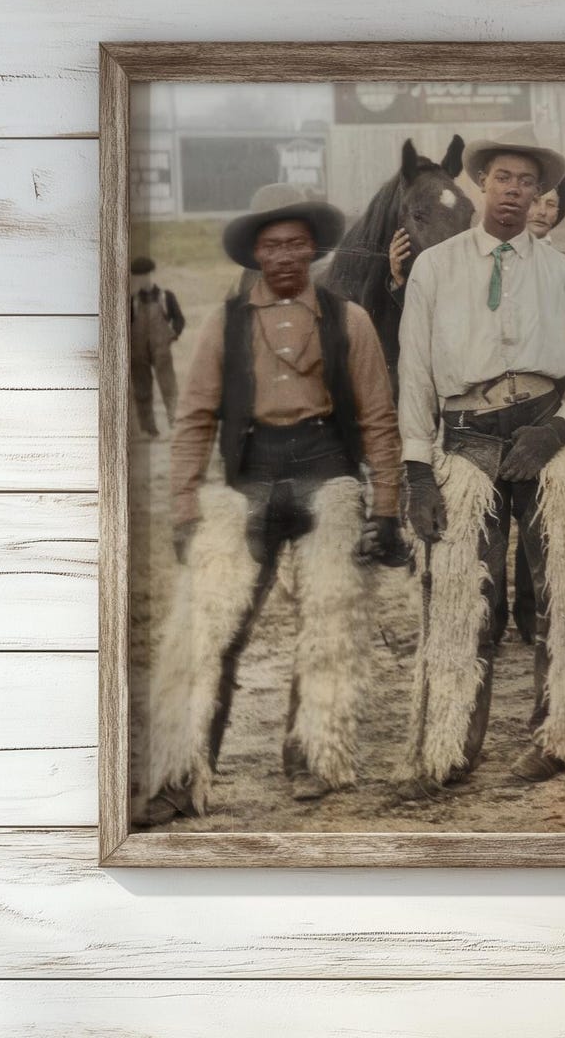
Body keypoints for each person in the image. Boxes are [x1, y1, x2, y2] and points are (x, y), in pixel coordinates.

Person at [134, 190, 405, 827]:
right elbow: (195, 417)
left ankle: (313, 753)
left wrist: (386, 506)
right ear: (255, 253)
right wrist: (183, 508)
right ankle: (181, 774)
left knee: (329, 621)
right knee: (206, 633)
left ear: (314, 248)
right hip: (248, 484)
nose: (284, 257)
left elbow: (379, 419)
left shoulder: (349, 320)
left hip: (325, 479)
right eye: (271, 245)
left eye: (296, 244)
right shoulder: (224, 324)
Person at [397, 125, 565, 793]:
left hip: (546, 443)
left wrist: (558, 431)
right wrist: (415, 471)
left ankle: (559, 734)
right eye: (503, 179)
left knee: (560, 596)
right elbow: (415, 376)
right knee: (465, 601)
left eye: (528, 182)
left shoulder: (564, 276)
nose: (514, 191)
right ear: (480, 184)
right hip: (468, 445)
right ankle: (452, 745)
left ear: (540, 193)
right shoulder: (437, 268)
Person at [129, 256, 185, 437]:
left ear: (152, 274)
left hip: (161, 349)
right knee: (142, 388)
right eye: (138, 276)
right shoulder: (131, 302)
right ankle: (148, 428)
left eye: (145, 275)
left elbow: (179, 319)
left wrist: (173, 335)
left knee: (169, 386)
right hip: (138, 353)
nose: (142, 279)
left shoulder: (165, 297)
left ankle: (175, 422)